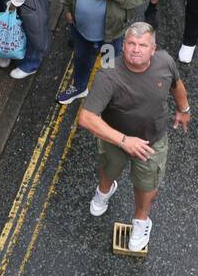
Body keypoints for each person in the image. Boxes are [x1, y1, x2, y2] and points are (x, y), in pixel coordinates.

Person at [77, 22, 190, 253]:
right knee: (108, 170)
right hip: (115, 140)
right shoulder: (108, 74)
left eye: (142, 45)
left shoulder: (165, 62)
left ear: (153, 49)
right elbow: (86, 118)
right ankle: (104, 191)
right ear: (124, 45)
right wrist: (123, 141)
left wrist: (184, 109)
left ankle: (141, 221)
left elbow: (176, 85)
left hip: (152, 142)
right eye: (131, 43)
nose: (136, 49)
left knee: (146, 184)